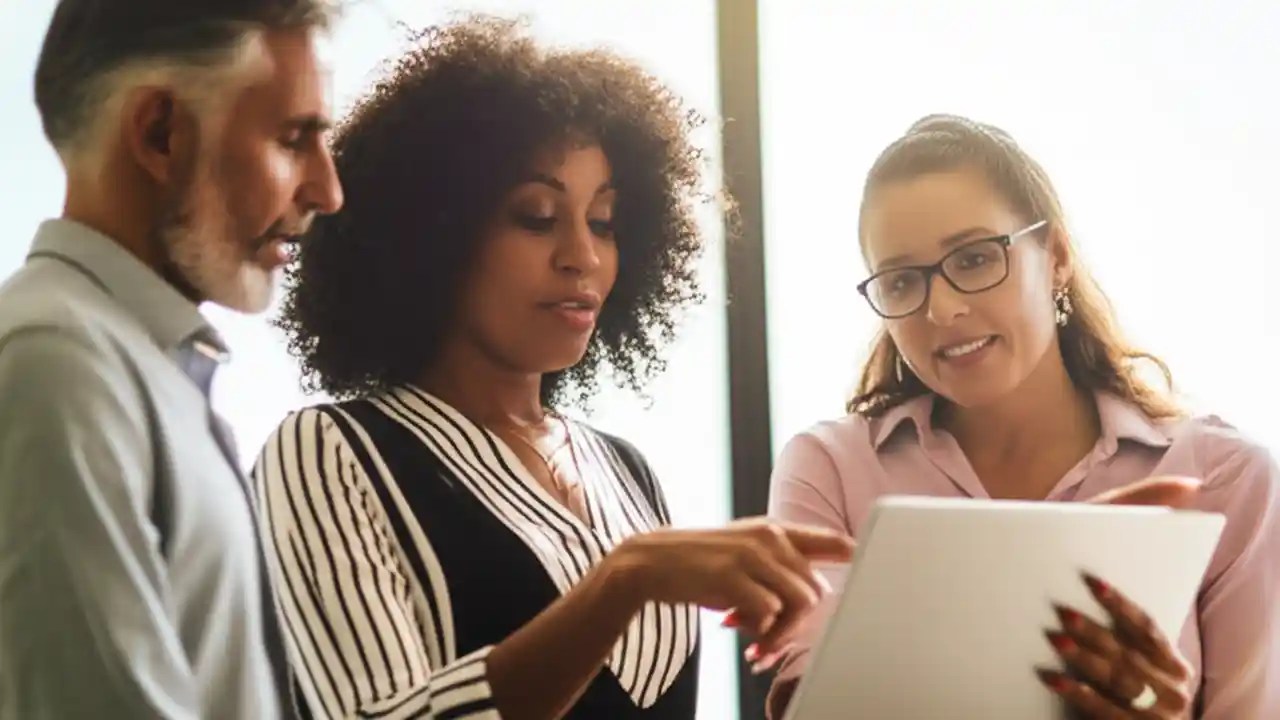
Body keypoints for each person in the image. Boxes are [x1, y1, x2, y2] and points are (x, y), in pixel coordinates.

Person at [251, 16, 853, 720]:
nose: (583, 256)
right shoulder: (330, 452)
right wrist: (624, 582)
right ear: (431, 236)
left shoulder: (625, 473)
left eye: (603, 221)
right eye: (537, 217)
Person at [765, 114, 1280, 719]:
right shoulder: (831, 471)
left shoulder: (1227, 479)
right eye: (903, 281)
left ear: (1056, 256)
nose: (944, 309)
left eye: (977, 259)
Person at [0, 1, 344, 718]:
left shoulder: (131, 365)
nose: (327, 190)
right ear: (159, 133)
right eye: (293, 139)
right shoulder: (59, 368)